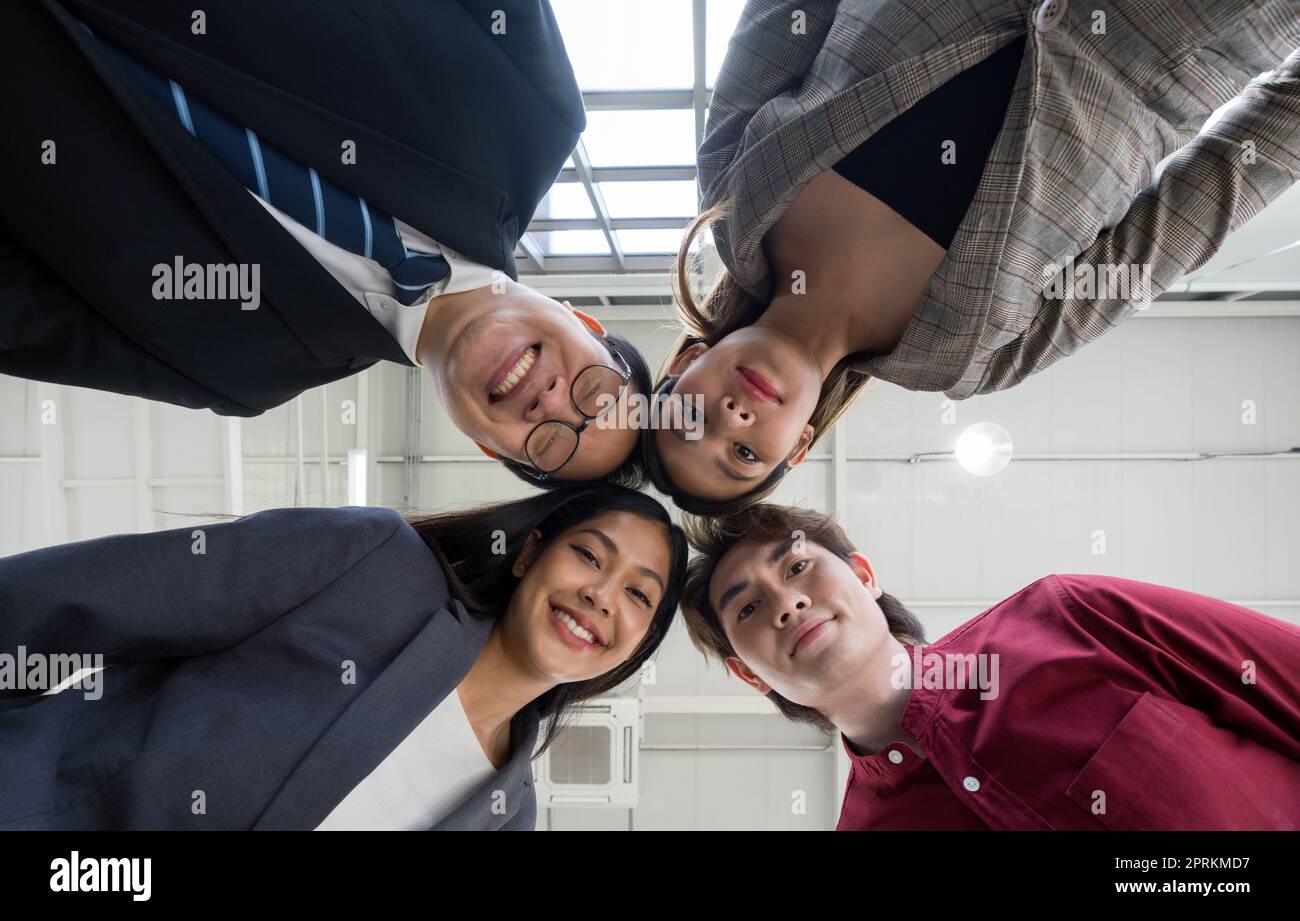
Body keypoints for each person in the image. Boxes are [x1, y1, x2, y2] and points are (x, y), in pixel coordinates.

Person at [646, 0, 1300, 512]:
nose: (730, 417)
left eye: (690, 416)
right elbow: (1189, 216)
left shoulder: (735, 190)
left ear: (687, 362)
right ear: (798, 448)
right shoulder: (975, 355)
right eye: (742, 454)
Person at [0, 0, 651, 486]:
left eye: (550, 444)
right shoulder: (531, 110)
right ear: (587, 321)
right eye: (597, 393)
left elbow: (18, 315)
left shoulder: (237, 370)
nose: (552, 404)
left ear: (488, 447)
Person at [0, 484, 688, 830]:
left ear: (637, 644)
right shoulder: (377, 565)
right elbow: (108, 593)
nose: (601, 594)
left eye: (638, 595)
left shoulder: (505, 815)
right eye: (589, 555)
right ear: (530, 553)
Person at [680, 503, 1300, 830]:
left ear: (865, 578)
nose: (787, 603)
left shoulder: (1070, 617)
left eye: (796, 568)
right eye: (750, 608)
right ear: (750, 675)